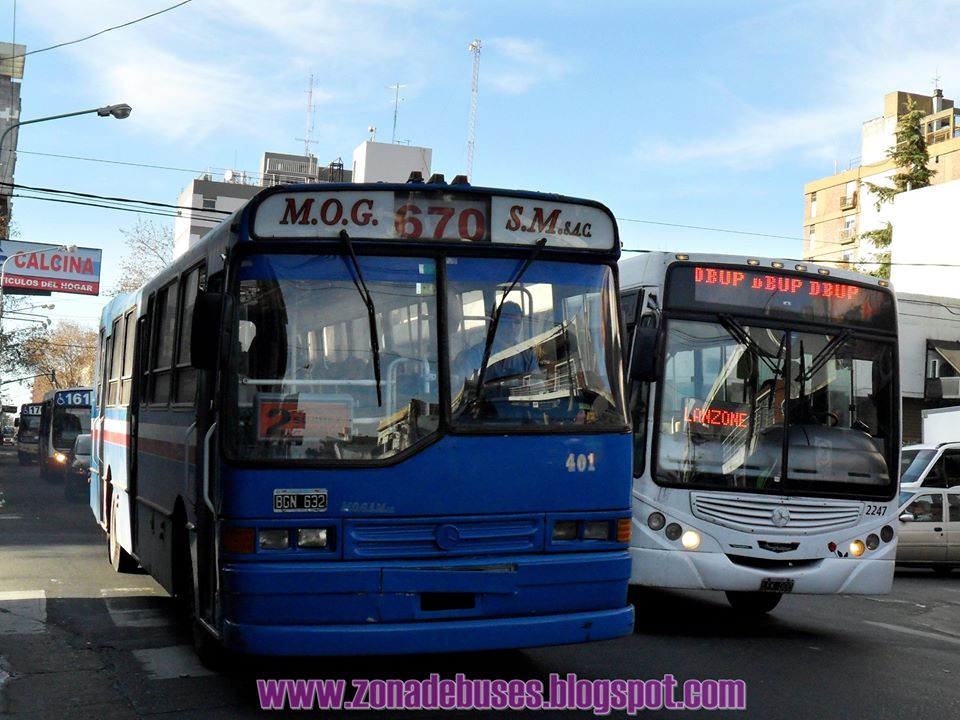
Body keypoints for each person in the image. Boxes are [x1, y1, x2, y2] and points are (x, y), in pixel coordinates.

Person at [452, 301, 539, 385]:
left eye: (517, 322)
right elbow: (462, 383)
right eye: (508, 321)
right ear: (498, 323)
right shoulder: (478, 354)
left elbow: (538, 383)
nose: (512, 327)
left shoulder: (527, 355)